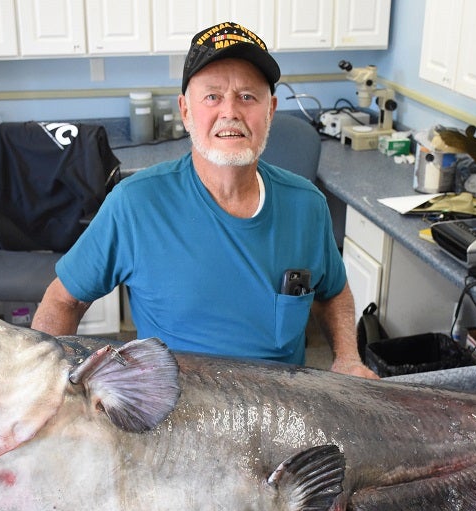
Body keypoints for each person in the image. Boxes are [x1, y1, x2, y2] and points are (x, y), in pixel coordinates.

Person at [31, 21, 377, 379]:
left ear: (270, 110)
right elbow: (63, 299)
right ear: (185, 110)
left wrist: (348, 358)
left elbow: (333, 294)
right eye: (212, 96)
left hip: (281, 413)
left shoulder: (307, 205)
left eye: (247, 96)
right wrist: (47, 385)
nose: (230, 111)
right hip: (177, 412)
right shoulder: (136, 205)